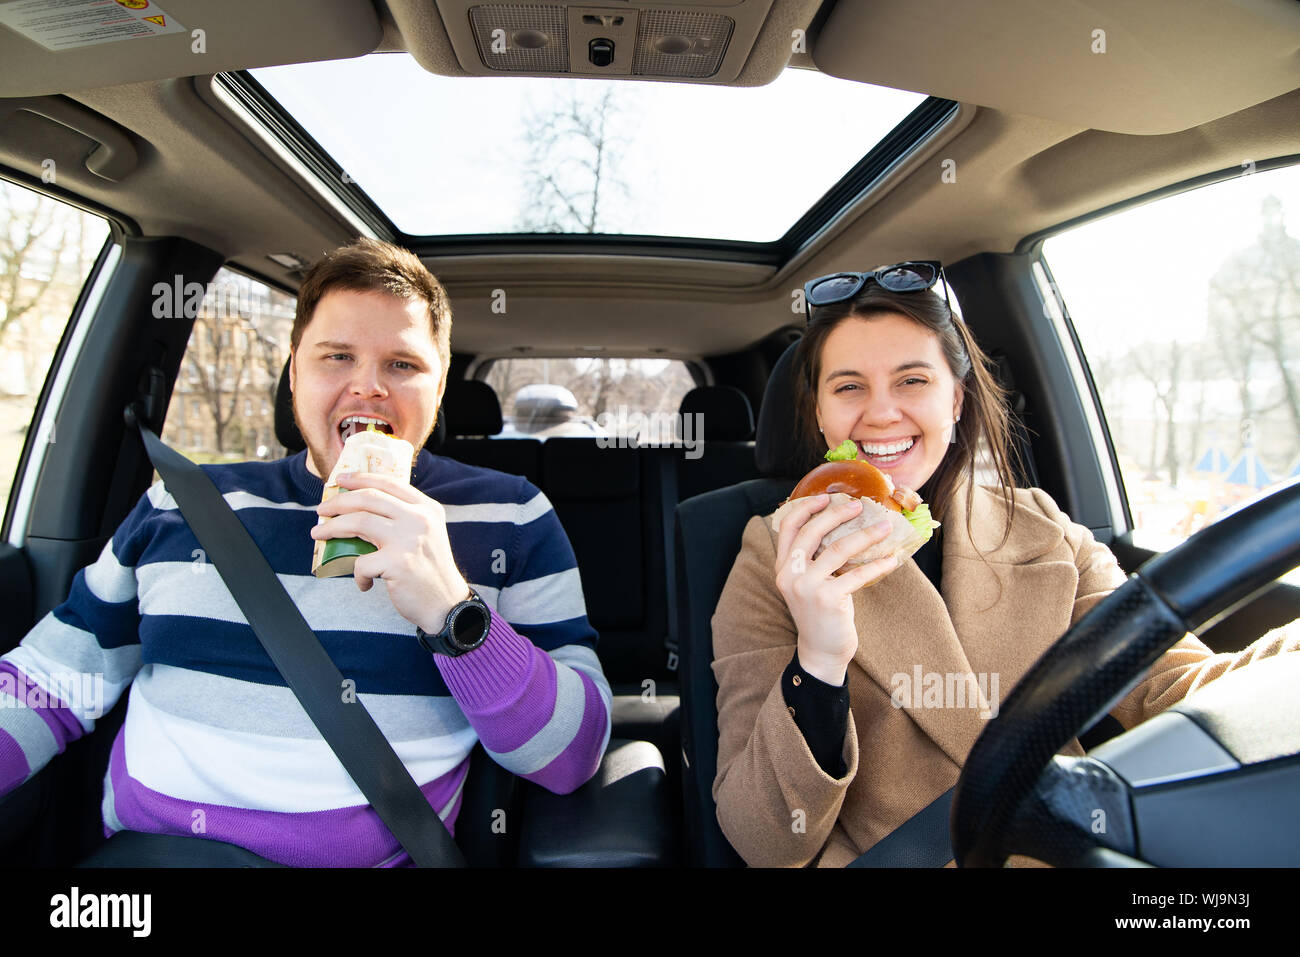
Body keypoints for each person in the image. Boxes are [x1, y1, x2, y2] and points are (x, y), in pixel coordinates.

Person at [0, 238, 611, 866]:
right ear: (295, 373)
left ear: (439, 385)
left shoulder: (512, 515)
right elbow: (51, 683)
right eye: (336, 356)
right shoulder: (181, 504)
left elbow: (570, 758)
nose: (367, 387)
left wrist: (454, 614)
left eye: (402, 364)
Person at [710, 263, 1299, 868]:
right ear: (819, 414)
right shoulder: (771, 557)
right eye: (849, 387)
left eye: (912, 380)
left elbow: (1172, 688)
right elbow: (765, 841)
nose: (881, 413)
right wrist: (820, 662)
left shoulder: (1042, 526)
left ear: (957, 398)